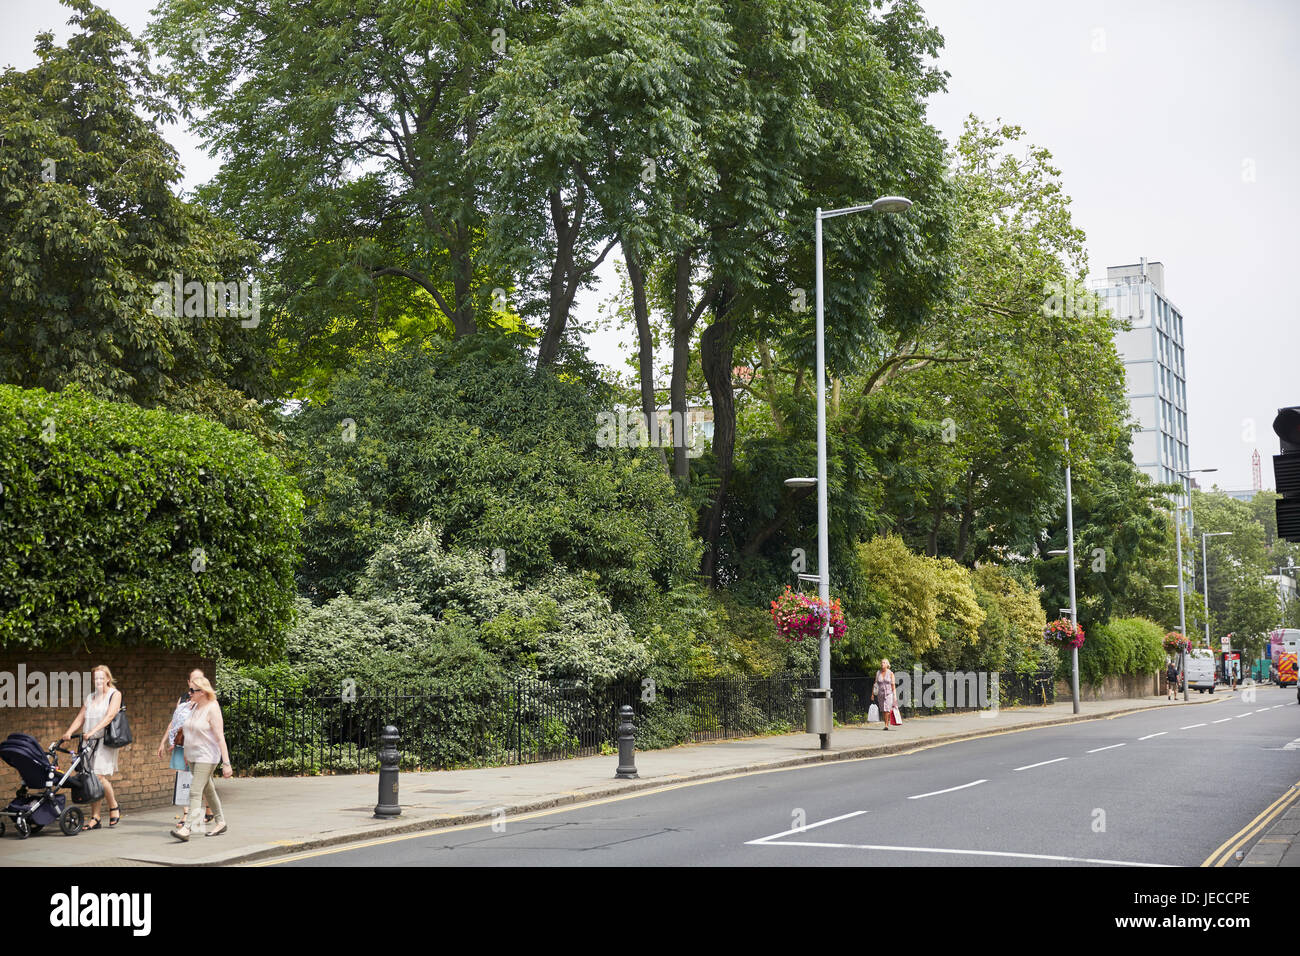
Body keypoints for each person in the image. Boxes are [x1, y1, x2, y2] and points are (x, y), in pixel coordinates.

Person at [60, 665, 123, 830]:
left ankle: (114, 806)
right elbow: (80, 718)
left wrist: (93, 731)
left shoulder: (115, 694)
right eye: (96, 678)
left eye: (102, 678)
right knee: (91, 778)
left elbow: (110, 716)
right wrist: (68, 732)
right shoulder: (90, 697)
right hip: (88, 742)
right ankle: (95, 817)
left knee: (98, 776)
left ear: (108, 678)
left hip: (105, 741)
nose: (99, 681)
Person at [172, 674, 232, 841]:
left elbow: (220, 737)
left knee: (195, 791)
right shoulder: (193, 707)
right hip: (192, 756)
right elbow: (187, 732)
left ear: (203, 691)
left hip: (207, 756)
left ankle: (187, 828)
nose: (189, 693)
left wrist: (226, 763)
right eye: (189, 690)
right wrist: (185, 753)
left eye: (193, 690)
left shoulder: (212, 708)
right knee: (208, 790)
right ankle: (221, 822)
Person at [157, 669, 213, 828]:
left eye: (199, 680)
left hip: (198, 746)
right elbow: (174, 723)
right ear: (188, 683)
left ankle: (208, 810)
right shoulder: (183, 700)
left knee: (201, 782)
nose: (195, 684)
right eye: (193, 681)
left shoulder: (207, 701)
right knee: (183, 778)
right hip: (181, 744)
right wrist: (163, 741)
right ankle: (188, 815)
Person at [873, 659, 898, 731]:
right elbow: (875, 684)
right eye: (881, 662)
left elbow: (893, 685)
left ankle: (886, 725)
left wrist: (894, 695)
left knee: (887, 708)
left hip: (889, 693)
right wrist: (873, 694)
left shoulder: (890, 673)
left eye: (884, 663)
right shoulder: (878, 673)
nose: (882, 664)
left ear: (887, 664)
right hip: (880, 693)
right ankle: (886, 722)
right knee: (883, 709)